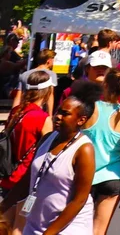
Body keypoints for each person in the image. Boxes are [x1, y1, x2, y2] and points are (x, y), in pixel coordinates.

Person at [22, 90, 97, 235]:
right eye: (58, 111)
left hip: (69, 227)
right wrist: (3, 207)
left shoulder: (84, 150)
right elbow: (26, 180)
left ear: (81, 120)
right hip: (36, 223)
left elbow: (79, 200)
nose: (58, 117)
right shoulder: (48, 138)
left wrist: (49, 233)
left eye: (65, 114)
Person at [74, 74, 120, 235]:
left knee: (77, 224)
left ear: (104, 85)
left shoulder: (91, 108)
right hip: (114, 175)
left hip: (86, 172)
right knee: (100, 229)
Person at [2, 70, 55, 234]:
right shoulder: (42, 118)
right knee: (20, 226)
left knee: (7, 224)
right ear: (47, 92)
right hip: (28, 179)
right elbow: (48, 151)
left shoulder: (16, 111)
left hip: (9, 174)